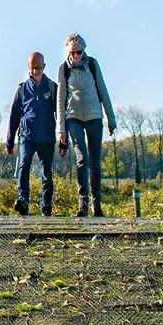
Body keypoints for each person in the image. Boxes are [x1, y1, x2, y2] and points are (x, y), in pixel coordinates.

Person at [57, 33, 116, 217]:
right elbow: (60, 98)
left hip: (94, 117)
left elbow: (103, 90)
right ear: (68, 52)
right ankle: (82, 203)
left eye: (79, 52)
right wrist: (61, 129)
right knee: (82, 158)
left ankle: (96, 204)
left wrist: (111, 118)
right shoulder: (64, 69)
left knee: (95, 161)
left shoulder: (92, 65)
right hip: (73, 117)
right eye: (72, 53)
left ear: (84, 50)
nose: (76, 56)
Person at [6, 51, 66, 216]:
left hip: (46, 137)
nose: (35, 72)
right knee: (23, 167)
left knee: (47, 174)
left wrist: (63, 141)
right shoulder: (22, 89)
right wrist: (9, 142)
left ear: (44, 67)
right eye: (33, 68)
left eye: (39, 68)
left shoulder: (52, 88)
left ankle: (46, 208)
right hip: (27, 136)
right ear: (28, 68)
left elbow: (60, 115)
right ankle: (23, 201)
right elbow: (14, 116)